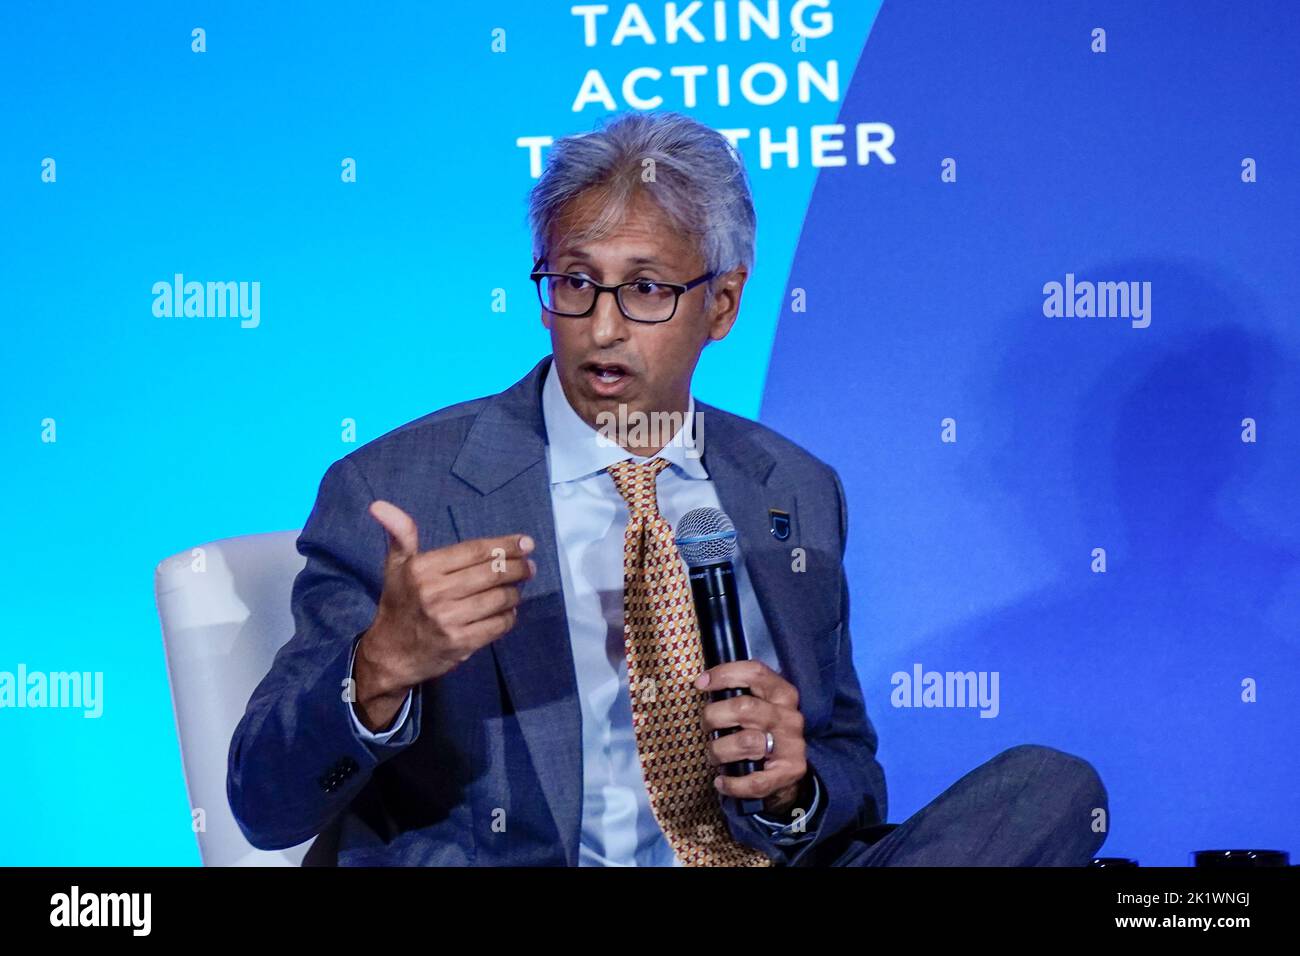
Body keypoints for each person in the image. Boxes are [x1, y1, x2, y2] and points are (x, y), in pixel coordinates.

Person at [226, 109, 1108, 866]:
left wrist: (794, 786)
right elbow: (265, 805)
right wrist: (380, 668)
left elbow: (852, 776)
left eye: (645, 289)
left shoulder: (795, 489)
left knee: (1051, 788)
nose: (602, 328)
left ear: (722, 305)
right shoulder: (398, 488)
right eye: (575, 283)